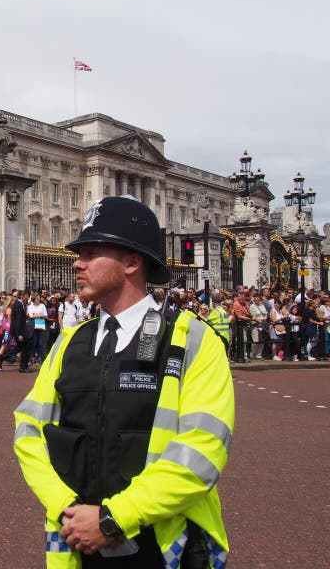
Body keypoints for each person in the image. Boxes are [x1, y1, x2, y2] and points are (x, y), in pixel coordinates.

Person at [14, 196, 234, 568]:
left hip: (161, 547)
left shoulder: (193, 341)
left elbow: (202, 449)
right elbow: (28, 430)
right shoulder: (69, 342)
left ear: (133, 262)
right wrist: (66, 507)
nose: (76, 262)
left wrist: (114, 518)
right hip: (77, 543)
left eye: (92, 252)